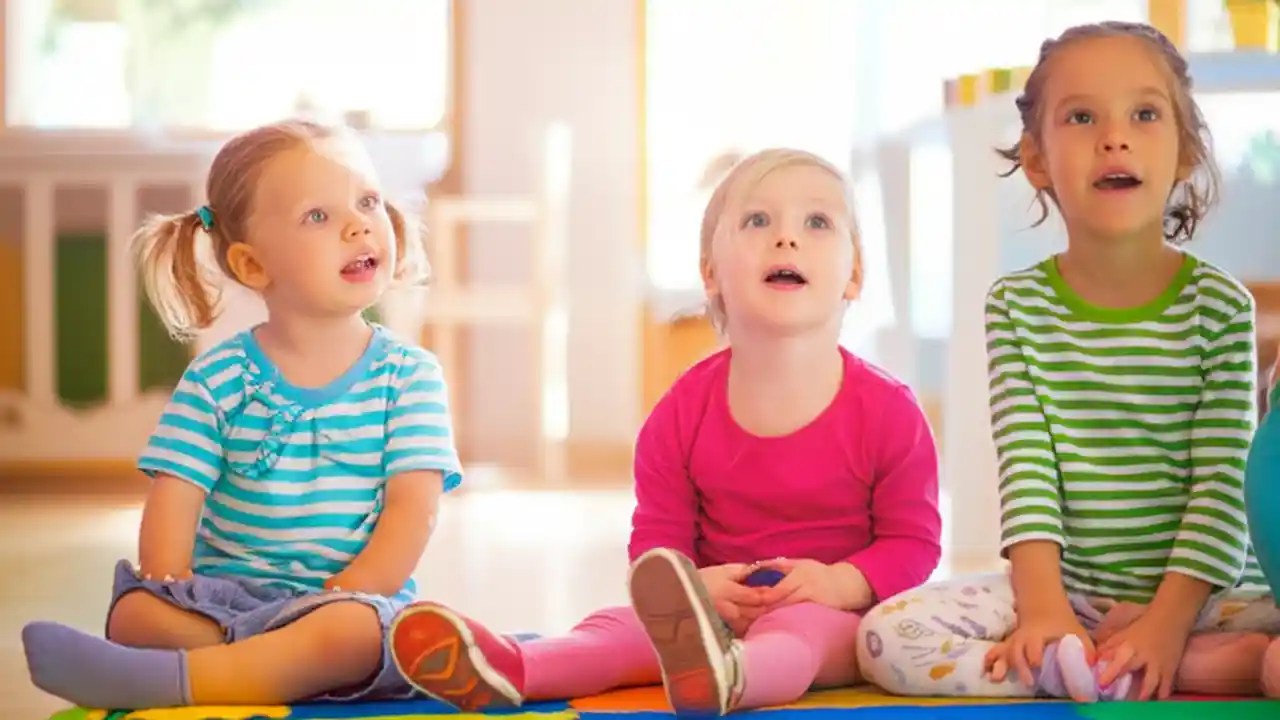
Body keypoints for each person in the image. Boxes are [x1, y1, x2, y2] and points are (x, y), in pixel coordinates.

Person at [387, 148, 942, 716]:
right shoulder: (679, 415)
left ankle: (735, 676)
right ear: (710, 273)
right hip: (706, 614)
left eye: (817, 222)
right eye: (757, 221)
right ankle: (513, 668)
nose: (786, 239)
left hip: (836, 621)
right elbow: (657, 545)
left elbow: (913, 544)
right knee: (615, 628)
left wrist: (839, 584)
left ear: (854, 275)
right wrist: (698, 586)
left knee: (799, 635)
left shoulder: (890, 412)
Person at [857, 21, 1280, 703]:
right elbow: (1028, 476)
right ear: (1038, 159)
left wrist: (1168, 624)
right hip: (1072, 594)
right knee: (885, 636)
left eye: (1145, 114)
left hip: (1213, 596)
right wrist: (1045, 611)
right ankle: (1093, 666)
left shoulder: (1220, 309)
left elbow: (1220, 490)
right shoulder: (1016, 308)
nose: (1114, 136)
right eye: (1081, 117)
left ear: (1185, 152)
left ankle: (1155, 663)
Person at [22, 119, 462, 708]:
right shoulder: (218, 377)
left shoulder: (409, 376)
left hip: (344, 604)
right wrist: (170, 584)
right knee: (136, 613)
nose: (359, 224)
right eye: (319, 216)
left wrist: (343, 595)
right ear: (253, 266)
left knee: (357, 636)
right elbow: (176, 492)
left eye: (368, 201)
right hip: (224, 600)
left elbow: (413, 510)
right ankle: (261, 665)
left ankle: (187, 680)